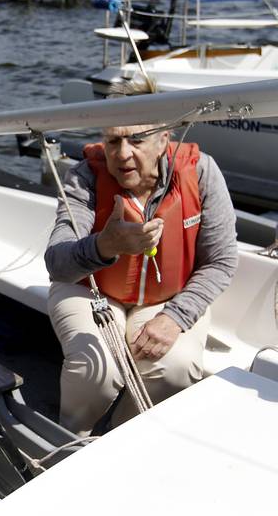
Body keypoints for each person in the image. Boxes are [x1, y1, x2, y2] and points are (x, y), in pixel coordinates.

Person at [44, 123, 238, 436]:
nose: (122, 154)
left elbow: (221, 260)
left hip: (168, 299)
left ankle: (123, 435)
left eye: (136, 140)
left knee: (178, 367)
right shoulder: (85, 176)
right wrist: (104, 246)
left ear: (164, 139)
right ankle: (70, 437)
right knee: (98, 368)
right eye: (112, 141)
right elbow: (58, 263)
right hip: (91, 289)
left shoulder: (201, 172)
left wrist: (175, 317)